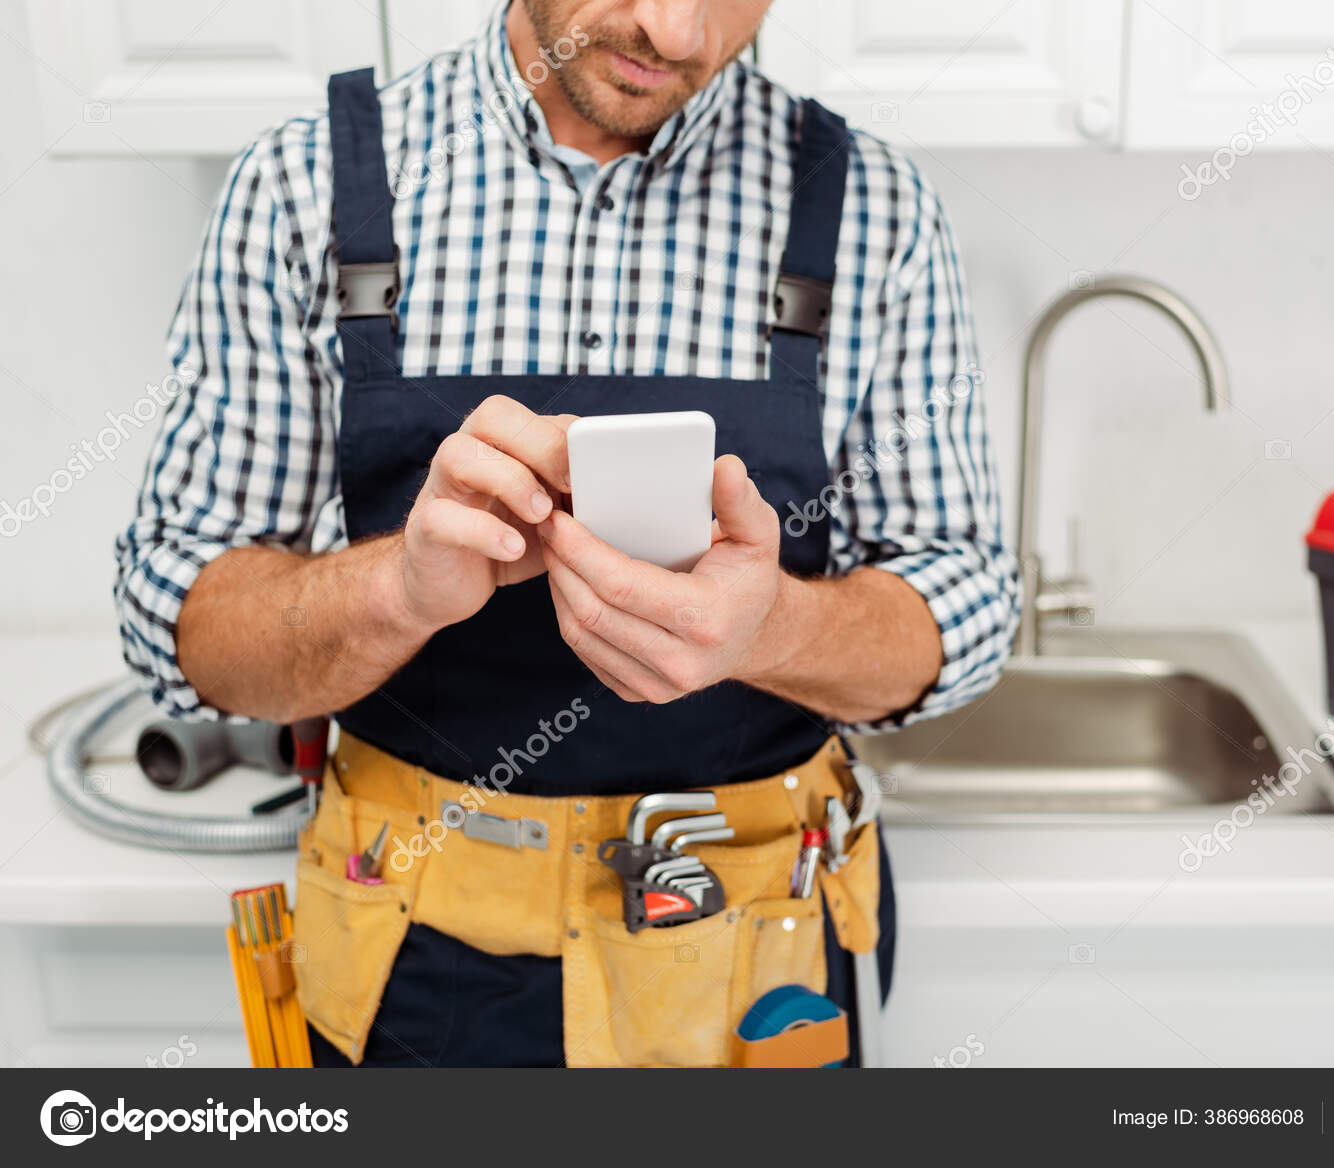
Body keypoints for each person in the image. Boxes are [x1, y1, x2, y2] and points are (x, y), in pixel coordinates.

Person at [115, 0, 1018, 1067]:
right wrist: (394, 593)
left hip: (750, 965)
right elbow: (181, 627)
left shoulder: (874, 207)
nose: (676, 33)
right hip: (411, 957)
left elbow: (963, 599)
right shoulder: (304, 187)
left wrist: (769, 630)